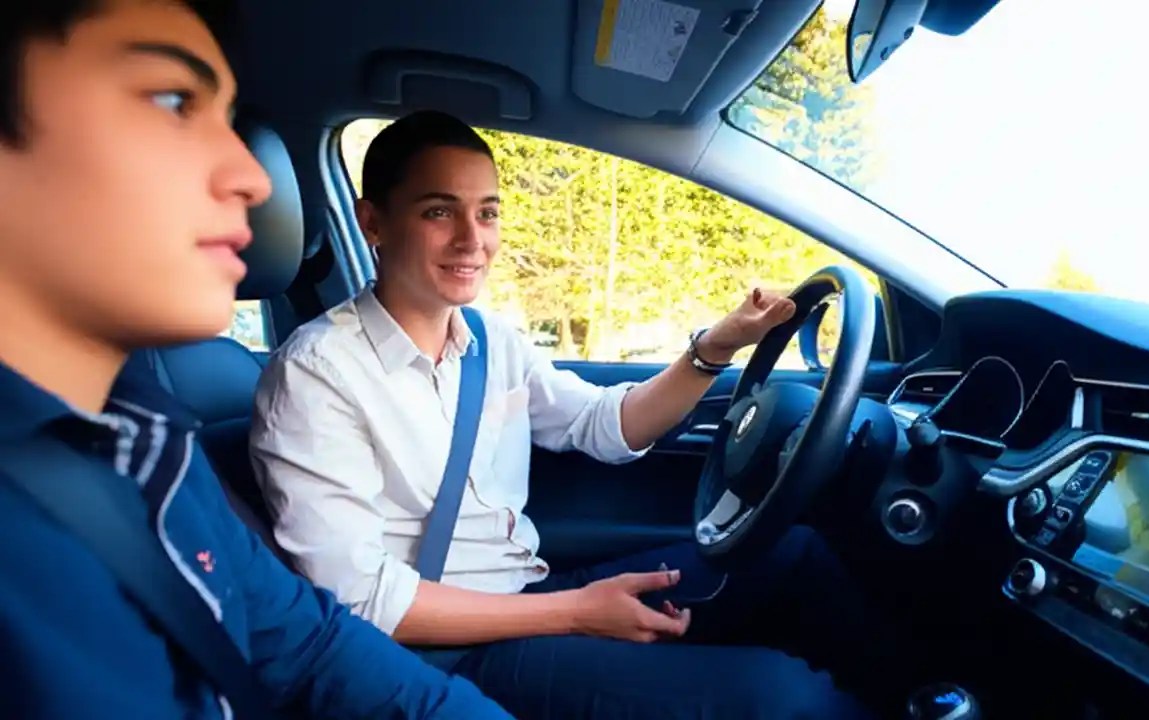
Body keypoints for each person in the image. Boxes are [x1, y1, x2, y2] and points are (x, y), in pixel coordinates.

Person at [250, 111, 883, 718]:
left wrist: (715, 346)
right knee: (779, 697)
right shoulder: (316, 374)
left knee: (791, 555)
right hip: (439, 651)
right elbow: (361, 601)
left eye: (488, 212)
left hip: (529, 596)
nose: (473, 239)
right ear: (374, 222)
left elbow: (605, 426)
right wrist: (578, 611)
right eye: (439, 211)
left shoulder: (490, 341)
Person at [0, 3, 513, 718]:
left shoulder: (150, 445)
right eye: (172, 100)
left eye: (225, 116)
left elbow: (310, 650)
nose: (252, 176)